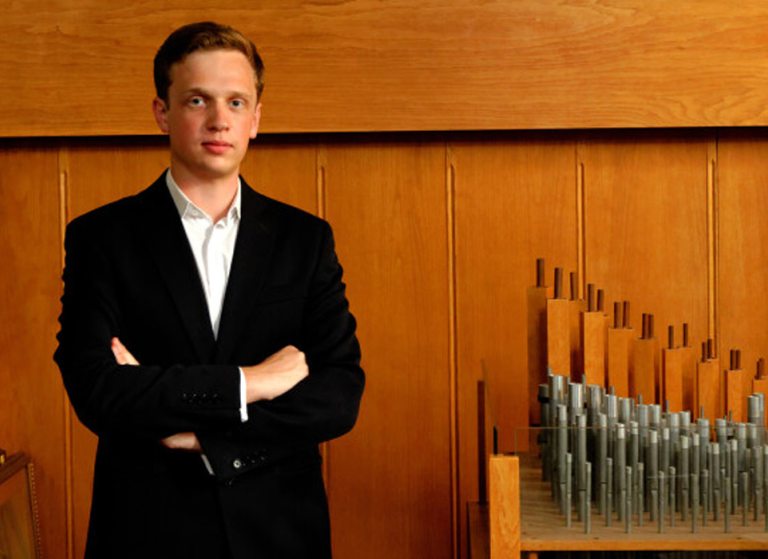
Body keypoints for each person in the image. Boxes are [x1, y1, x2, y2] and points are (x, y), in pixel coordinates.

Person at [54, 21, 364, 559]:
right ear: (162, 112)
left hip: (280, 533)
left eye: (237, 102)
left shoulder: (305, 240)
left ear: (256, 119)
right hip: (147, 531)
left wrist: (206, 438)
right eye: (198, 100)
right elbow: (97, 391)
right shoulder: (101, 238)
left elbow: (338, 396)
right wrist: (252, 383)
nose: (220, 120)